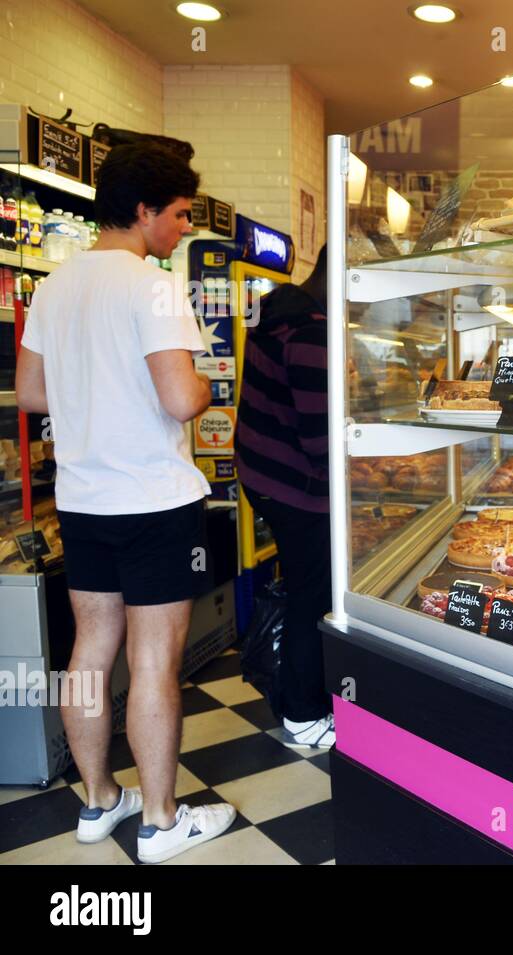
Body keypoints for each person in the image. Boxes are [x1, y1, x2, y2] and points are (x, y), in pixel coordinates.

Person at [15, 141, 237, 862]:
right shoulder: (151, 284)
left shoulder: (53, 286)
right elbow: (180, 398)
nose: (180, 230)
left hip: (83, 502)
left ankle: (99, 800)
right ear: (142, 210)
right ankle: (163, 821)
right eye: (176, 215)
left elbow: (32, 395)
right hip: (152, 500)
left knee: (90, 653)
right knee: (151, 662)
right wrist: (203, 385)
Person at [234, 246, 336, 749]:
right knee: (312, 594)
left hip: (264, 475)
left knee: (305, 587)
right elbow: (320, 440)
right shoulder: (311, 329)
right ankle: (303, 712)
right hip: (296, 487)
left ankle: (308, 693)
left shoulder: (279, 310)